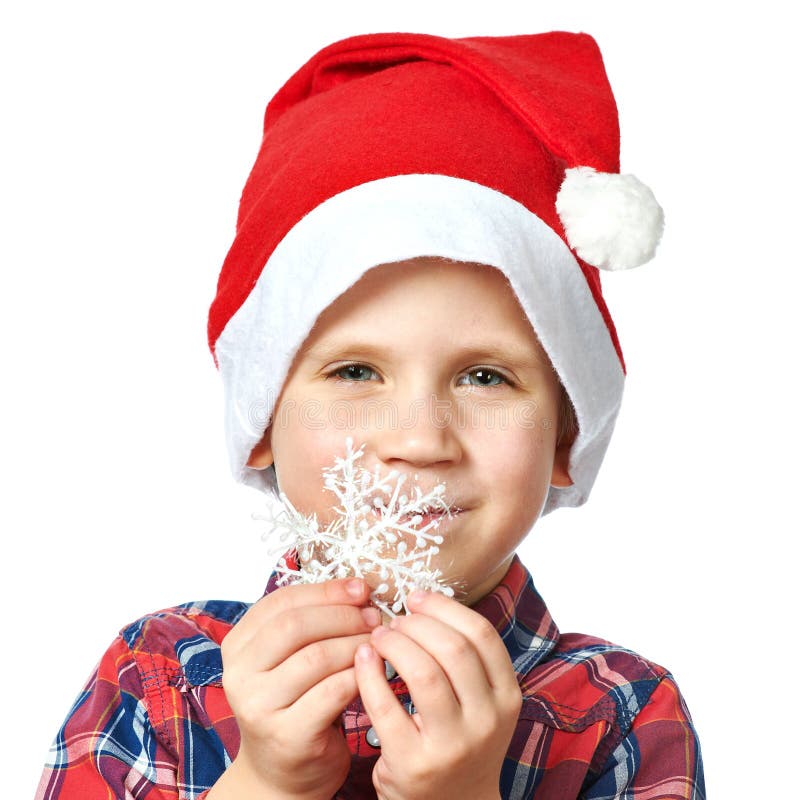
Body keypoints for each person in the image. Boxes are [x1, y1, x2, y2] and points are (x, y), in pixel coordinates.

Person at [36, 31, 705, 800]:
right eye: (355, 370)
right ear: (260, 424)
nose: (420, 440)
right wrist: (265, 784)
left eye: (485, 377)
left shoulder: (619, 713)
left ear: (565, 436)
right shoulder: (160, 680)